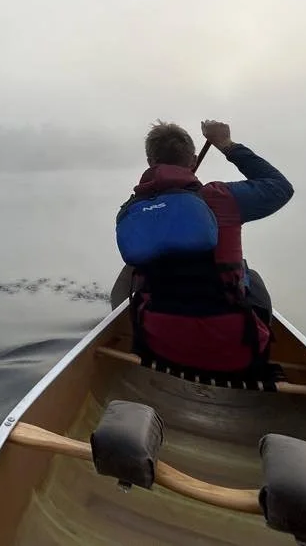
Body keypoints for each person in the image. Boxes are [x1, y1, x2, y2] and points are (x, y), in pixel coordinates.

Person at [113, 119, 294, 375]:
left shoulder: (133, 210)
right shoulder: (221, 197)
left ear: (151, 162)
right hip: (234, 350)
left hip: (158, 343)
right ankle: (260, 354)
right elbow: (280, 187)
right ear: (193, 161)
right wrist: (226, 144)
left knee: (132, 272)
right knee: (250, 276)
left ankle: (127, 340)